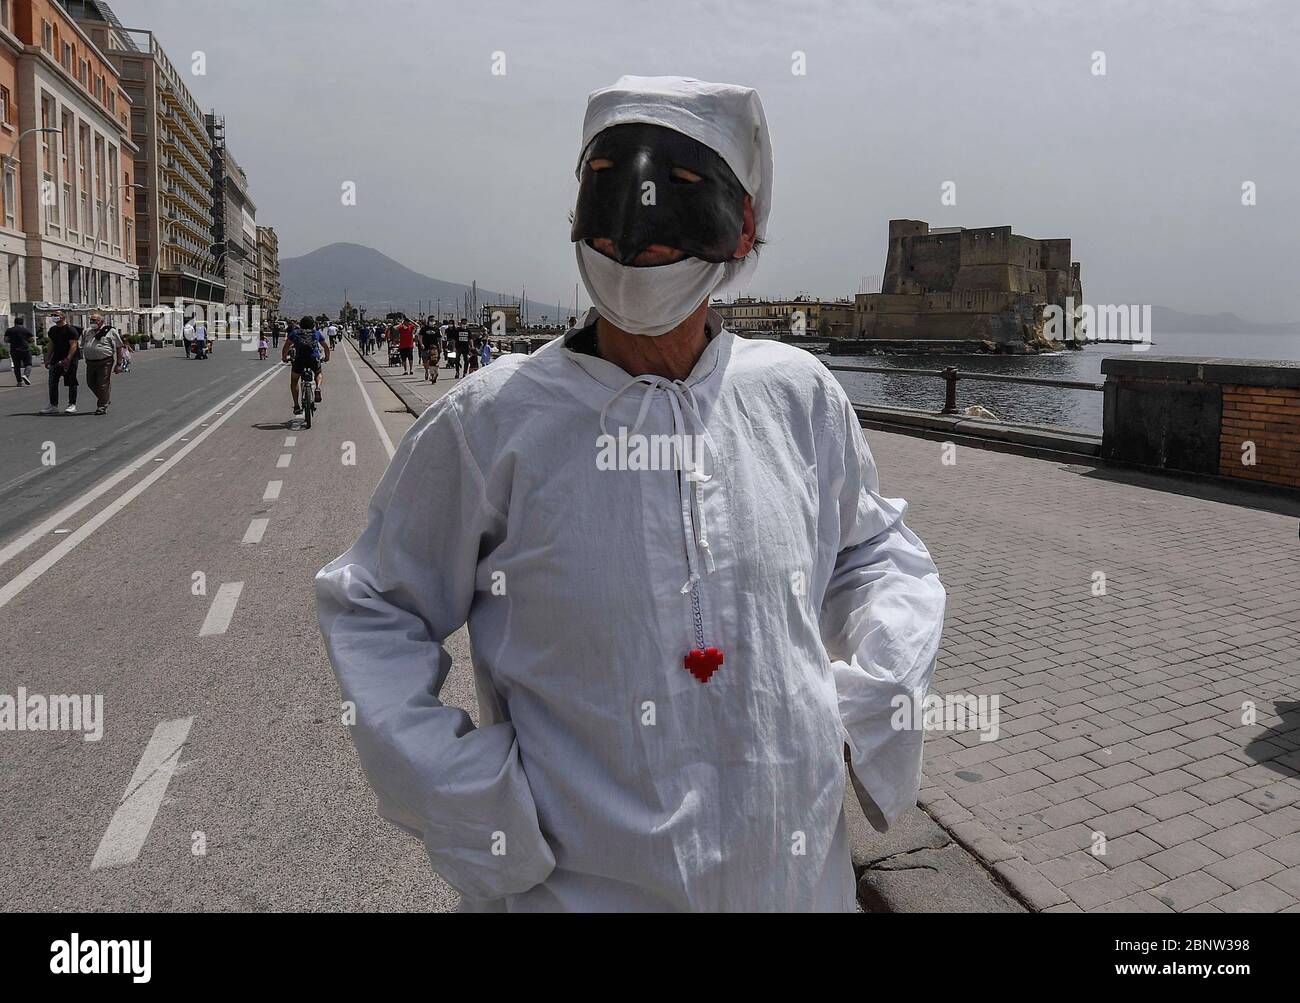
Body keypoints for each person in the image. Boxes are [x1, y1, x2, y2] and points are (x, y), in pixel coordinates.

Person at [316, 76, 946, 913]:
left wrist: (868, 702)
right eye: (609, 186)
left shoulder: (798, 398)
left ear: (744, 223)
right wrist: (473, 796)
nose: (636, 234)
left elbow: (874, 552)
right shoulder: (494, 423)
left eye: (679, 195)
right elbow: (373, 607)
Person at [283, 315, 330, 415]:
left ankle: (296, 405)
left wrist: (284, 358)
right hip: (313, 359)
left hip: (299, 360)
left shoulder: (295, 333)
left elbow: (286, 346)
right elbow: (326, 347)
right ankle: (317, 387)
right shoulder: (316, 333)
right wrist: (327, 358)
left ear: (301, 325)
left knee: (294, 380)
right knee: (318, 373)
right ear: (313, 325)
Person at [80, 313, 126, 415]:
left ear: (101, 321)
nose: (92, 322)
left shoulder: (110, 331)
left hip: (105, 361)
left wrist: (119, 364)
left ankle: (101, 406)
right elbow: (83, 345)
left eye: (95, 320)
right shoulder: (87, 331)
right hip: (90, 362)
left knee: (102, 383)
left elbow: (119, 347)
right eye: (91, 320)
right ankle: (105, 399)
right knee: (90, 383)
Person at [42, 312, 81, 414]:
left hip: (70, 359)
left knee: (71, 382)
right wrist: (47, 358)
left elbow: (73, 345)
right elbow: (51, 344)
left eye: (56, 315)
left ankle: (72, 404)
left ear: (62, 317)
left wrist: (68, 359)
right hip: (56, 359)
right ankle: (53, 405)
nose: (54, 317)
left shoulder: (70, 330)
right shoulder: (53, 330)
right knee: (52, 382)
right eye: (52, 315)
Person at [5, 314, 35, 386]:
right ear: (22, 323)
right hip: (25, 350)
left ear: (15, 323)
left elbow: (6, 340)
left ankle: (19, 382)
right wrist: (27, 340)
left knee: (16, 366)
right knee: (28, 364)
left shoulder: (10, 330)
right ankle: (25, 375)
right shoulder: (25, 330)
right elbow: (32, 339)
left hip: (14, 350)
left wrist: (12, 341)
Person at [419, 317, 440, 383]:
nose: (432, 321)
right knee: (425, 361)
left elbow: (439, 338)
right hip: (425, 347)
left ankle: (432, 375)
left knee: (433, 361)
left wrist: (440, 347)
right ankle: (426, 371)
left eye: (433, 320)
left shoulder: (436, 329)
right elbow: (420, 337)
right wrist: (421, 344)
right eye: (431, 320)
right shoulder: (424, 328)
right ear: (428, 321)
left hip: (434, 348)